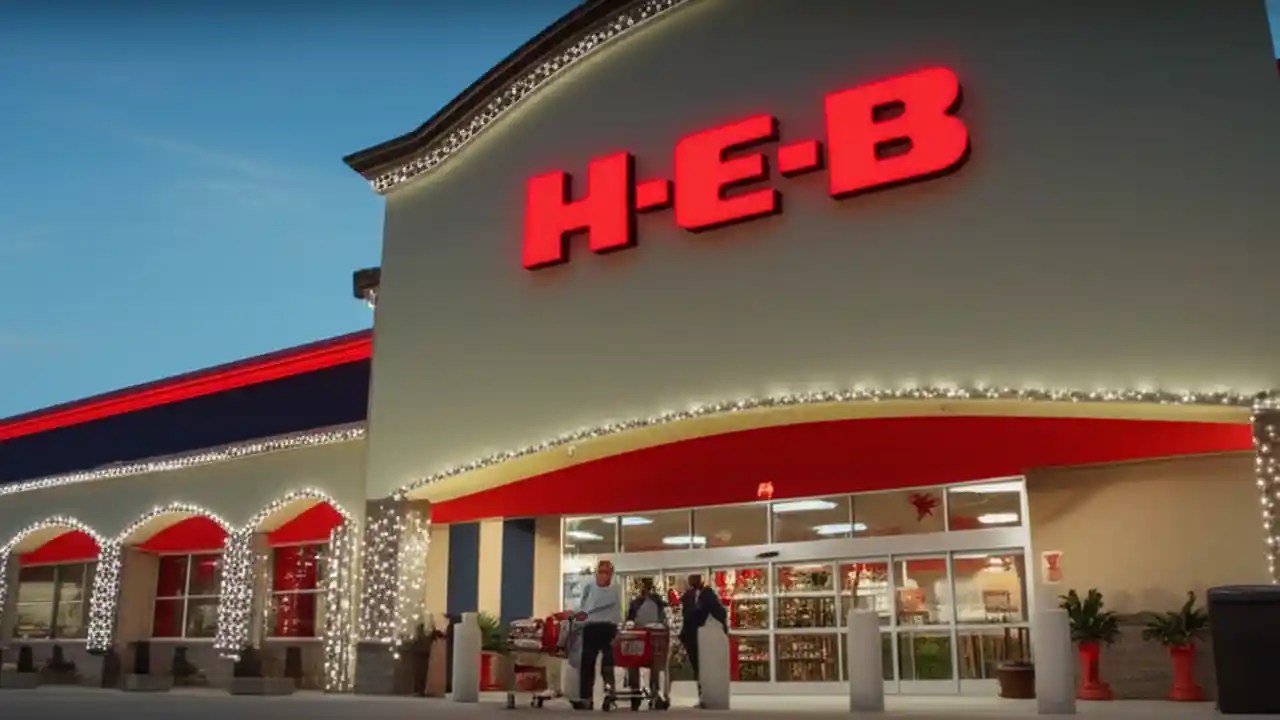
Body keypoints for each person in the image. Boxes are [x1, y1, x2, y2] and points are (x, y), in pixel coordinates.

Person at [574, 560, 621, 710]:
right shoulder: (590, 586)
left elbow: (618, 609)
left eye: (606, 572)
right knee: (587, 662)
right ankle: (586, 697)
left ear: (611, 574)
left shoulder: (615, 589)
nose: (603, 576)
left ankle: (609, 692)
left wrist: (618, 629)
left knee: (607, 661)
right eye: (600, 572)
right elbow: (583, 606)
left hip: (608, 626)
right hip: (592, 626)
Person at [678, 573, 726, 705]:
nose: (692, 581)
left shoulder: (708, 594)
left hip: (706, 637)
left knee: (705, 666)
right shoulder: (688, 597)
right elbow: (686, 617)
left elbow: (719, 612)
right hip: (691, 636)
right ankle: (701, 695)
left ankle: (707, 695)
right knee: (696, 666)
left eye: (695, 578)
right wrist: (683, 636)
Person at [624, 577, 667, 696]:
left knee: (634, 662)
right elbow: (661, 618)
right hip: (653, 638)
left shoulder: (637, 602)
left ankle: (635, 689)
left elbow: (630, 619)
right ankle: (653, 689)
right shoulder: (657, 601)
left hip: (639, 638)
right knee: (654, 663)